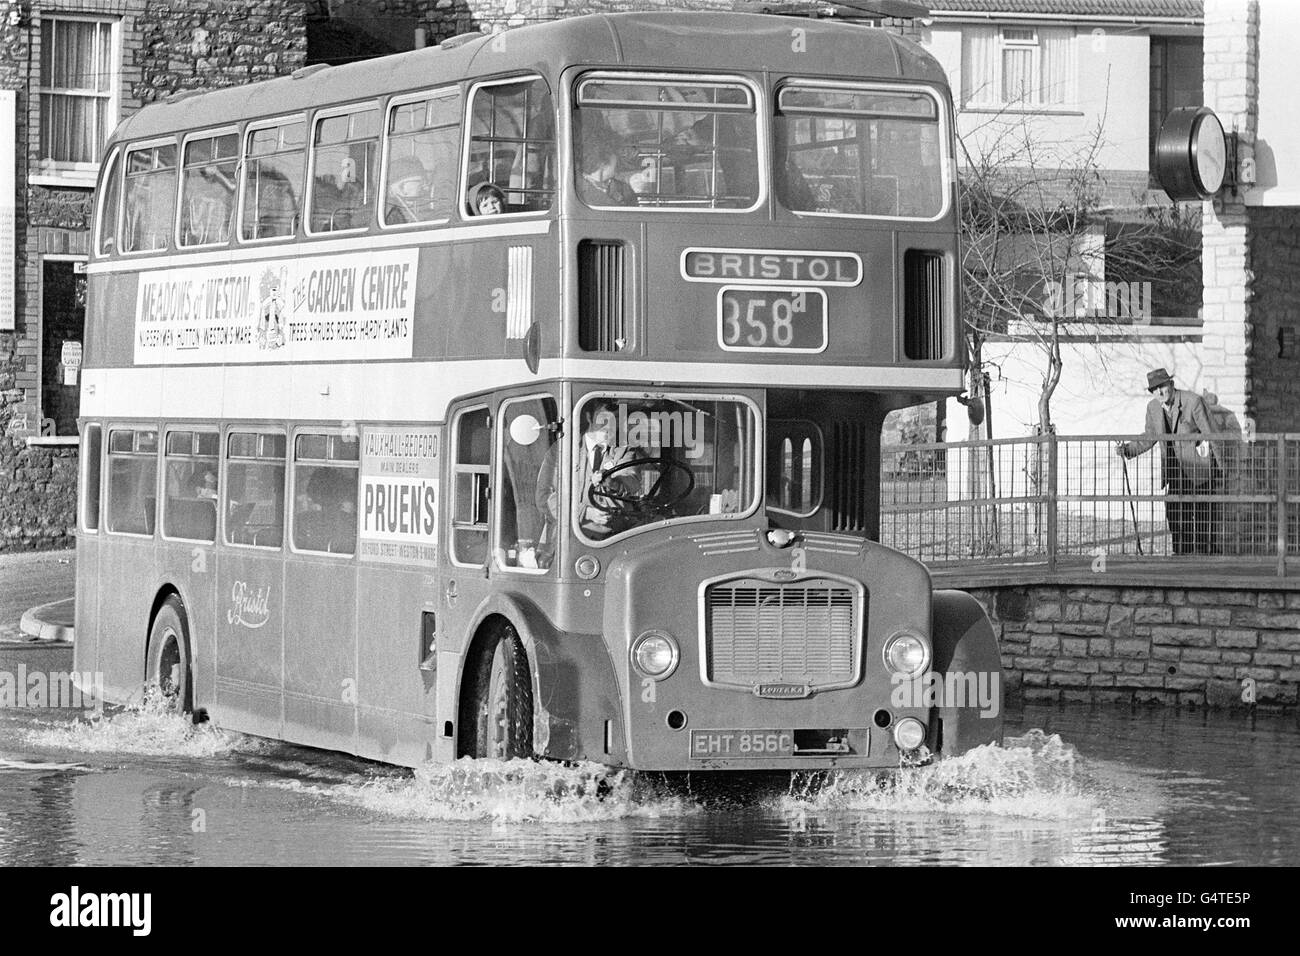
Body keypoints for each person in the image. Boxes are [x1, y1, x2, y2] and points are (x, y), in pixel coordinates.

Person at [1116, 367, 1223, 555]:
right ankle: (1181, 558)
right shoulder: (1153, 407)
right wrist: (1127, 449)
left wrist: (1221, 469)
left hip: (1200, 471)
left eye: (1162, 387)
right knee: (1175, 515)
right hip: (1174, 472)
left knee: (1204, 517)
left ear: (1171, 384)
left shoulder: (1193, 402)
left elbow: (1212, 434)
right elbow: (1149, 436)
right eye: (1154, 389)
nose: (1159, 392)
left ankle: (1207, 561)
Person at [578, 139, 638, 207]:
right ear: (603, 165)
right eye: (615, 162)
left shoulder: (624, 189)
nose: (617, 165)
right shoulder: (577, 188)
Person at [385, 155, 434, 223]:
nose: (426, 188)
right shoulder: (390, 216)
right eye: (420, 182)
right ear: (402, 188)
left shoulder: (408, 211)